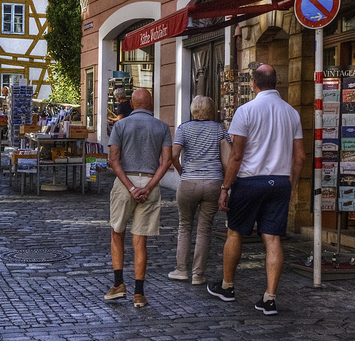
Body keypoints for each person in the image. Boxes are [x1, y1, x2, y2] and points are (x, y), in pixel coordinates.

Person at [207, 64, 305, 316]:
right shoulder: (292, 113)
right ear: (277, 82)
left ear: (253, 83)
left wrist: (225, 187)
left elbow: (237, 155)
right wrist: (291, 185)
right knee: (272, 239)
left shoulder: (245, 110)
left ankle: (227, 286)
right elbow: (300, 157)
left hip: (250, 182)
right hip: (280, 181)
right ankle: (270, 298)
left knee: (235, 233)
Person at [103, 87, 172, 308]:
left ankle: (118, 284)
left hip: (125, 183)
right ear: (150, 104)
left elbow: (113, 160)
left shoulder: (121, 125)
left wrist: (131, 188)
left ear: (131, 104)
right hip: (150, 183)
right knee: (140, 240)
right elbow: (166, 161)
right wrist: (150, 186)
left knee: (117, 232)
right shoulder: (162, 127)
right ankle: (139, 294)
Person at [169, 94, 229, 285]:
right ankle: (198, 274)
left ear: (192, 110)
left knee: (185, 226)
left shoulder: (183, 129)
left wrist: (182, 171)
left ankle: (181, 270)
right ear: (211, 110)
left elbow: (174, 155)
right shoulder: (219, 129)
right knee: (204, 230)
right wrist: (226, 186)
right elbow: (227, 161)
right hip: (212, 182)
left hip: (189, 182)